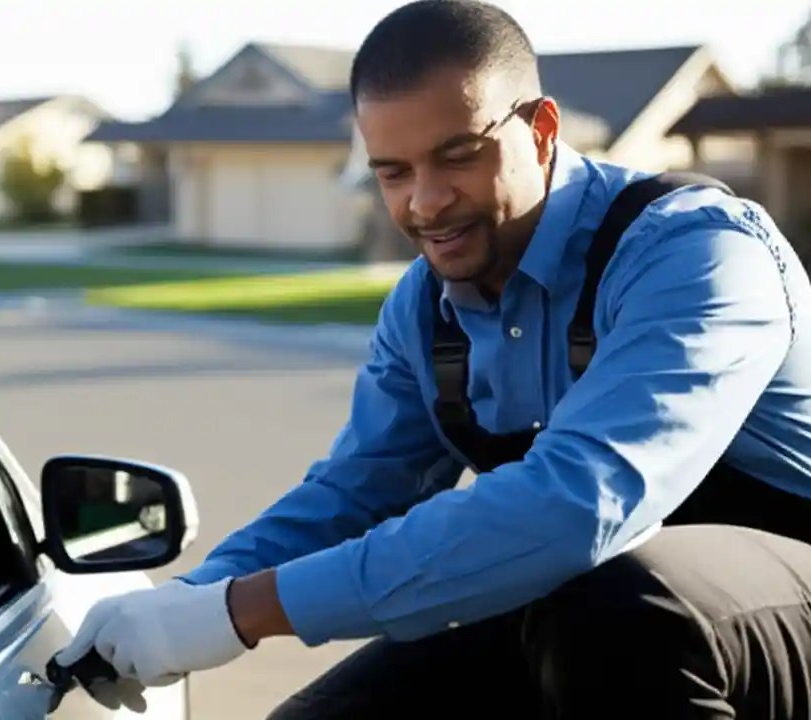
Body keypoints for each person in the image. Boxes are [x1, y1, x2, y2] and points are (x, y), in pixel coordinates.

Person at [55, 1, 811, 717]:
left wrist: (239, 613)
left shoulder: (694, 252)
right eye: (393, 172)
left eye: (458, 156)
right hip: (573, 608)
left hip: (759, 604)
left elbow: (581, 504)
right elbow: (354, 496)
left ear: (543, 129)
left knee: (631, 611)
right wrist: (185, 602)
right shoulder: (424, 309)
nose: (426, 202)